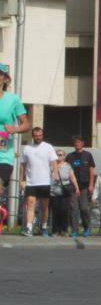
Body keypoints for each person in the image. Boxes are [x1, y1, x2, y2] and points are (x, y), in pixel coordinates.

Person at [0, 64, 30, 215]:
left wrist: (15, 129)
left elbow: (26, 124)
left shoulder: (13, 99)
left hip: (4, 154)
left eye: (0, 74)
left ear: (5, 79)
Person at [20, 127, 59, 237]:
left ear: (42, 135)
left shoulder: (48, 147)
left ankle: (43, 227)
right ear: (33, 136)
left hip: (44, 181)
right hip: (31, 182)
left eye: (39, 135)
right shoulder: (27, 148)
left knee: (44, 207)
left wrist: (55, 173)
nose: (38, 137)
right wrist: (21, 179)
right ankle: (29, 228)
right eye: (36, 136)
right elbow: (23, 165)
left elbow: (54, 162)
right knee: (30, 204)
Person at [66, 136, 96, 238]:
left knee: (84, 208)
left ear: (82, 143)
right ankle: (74, 229)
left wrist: (91, 185)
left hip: (84, 186)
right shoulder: (70, 156)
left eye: (79, 142)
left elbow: (92, 171)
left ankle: (86, 227)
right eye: (75, 142)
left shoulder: (88, 155)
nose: (77, 144)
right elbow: (67, 171)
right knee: (73, 208)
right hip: (73, 186)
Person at [52, 149, 80, 237]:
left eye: (61, 155)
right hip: (55, 190)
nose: (59, 156)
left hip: (65, 189)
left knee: (64, 210)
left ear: (64, 156)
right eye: (57, 155)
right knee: (56, 210)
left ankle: (64, 230)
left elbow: (72, 177)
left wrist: (77, 188)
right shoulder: (52, 165)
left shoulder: (67, 166)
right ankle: (56, 230)